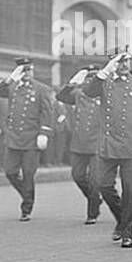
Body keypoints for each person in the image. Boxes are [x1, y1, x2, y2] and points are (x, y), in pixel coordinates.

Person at [83, 52, 132, 248]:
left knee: (131, 191)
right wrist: (105, 71)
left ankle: (127, 232)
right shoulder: (104, 82)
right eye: (120, 61)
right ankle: (122, 220)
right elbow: (88, 92)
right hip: (109, 145)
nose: (125, 64)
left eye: (127, 61)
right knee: (102, 184)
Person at [0, 58, 55, 220]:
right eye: (23, 70)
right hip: (14, 138)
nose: (26, 74)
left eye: (29, 70)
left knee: (28, 173)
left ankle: (26, 208)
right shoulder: (12, 87)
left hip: (31, 139)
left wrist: (44, 133)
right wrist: (11, 78)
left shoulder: (41, 89)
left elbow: (47, 113)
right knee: (10, 172)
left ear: (33, 71)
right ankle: (27, 195)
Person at [56, 66, 104, 224]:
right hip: (79, 143)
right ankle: (95, 199)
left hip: (97, 143)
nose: (90, 82)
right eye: (88, 78)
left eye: (94, 79)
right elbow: (61, 97)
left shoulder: (106, 96)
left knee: (95, 179)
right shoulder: (79, 94)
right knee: (77, 176)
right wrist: (72, 83)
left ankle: (92, 213)